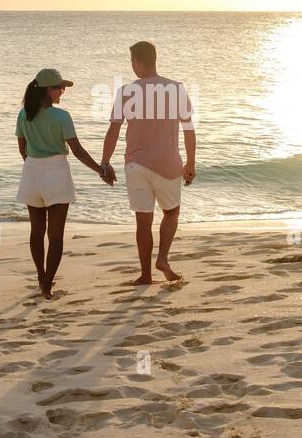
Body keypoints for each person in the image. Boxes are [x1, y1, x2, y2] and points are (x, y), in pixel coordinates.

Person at [100, 40, 196, 285]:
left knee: (143, 222)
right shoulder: (177, 89)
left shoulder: (126, 92)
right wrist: (191, 164)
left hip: (136, 163)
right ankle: (162, 258)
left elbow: (114, 130)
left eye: (132, 62)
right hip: (168, 162)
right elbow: (188, 130)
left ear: (137, 63)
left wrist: (105, 161)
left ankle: (145, 275)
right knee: (171, 213)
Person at [16, 68, 115, 299]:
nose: (62, 92)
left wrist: (33, 166)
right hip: (56, 173)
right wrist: (100, 170)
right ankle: (47, 285)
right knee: (56, 235)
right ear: (48, 91)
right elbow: (77, 150)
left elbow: (22, 149)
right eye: (60, 88)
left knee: (36, 231)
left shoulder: (24, 114)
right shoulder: (62, 117)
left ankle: (41, 275)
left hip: (31, 172)